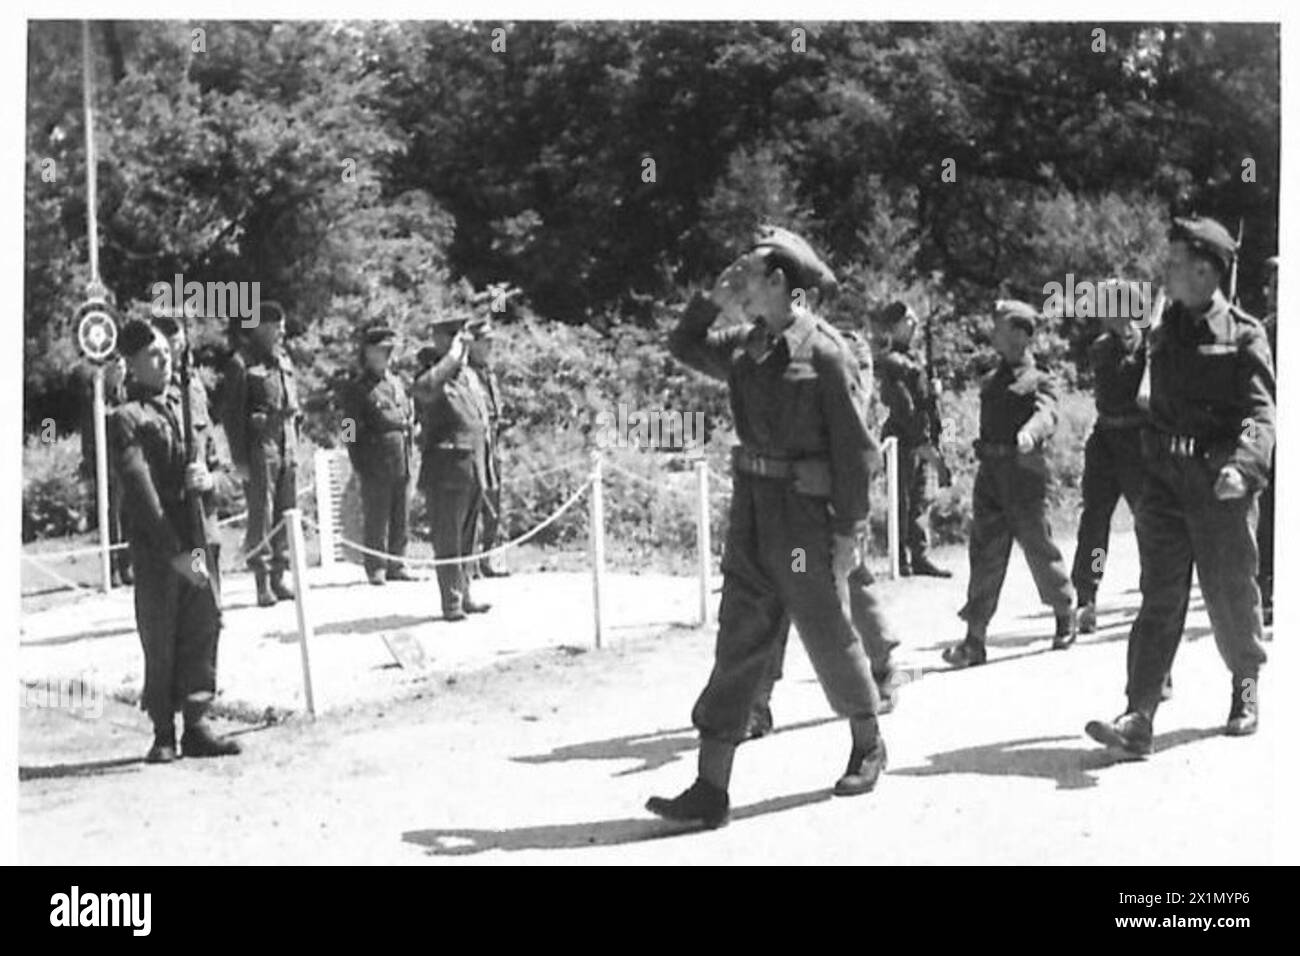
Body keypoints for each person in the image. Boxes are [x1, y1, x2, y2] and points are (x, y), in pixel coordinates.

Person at [646, 228, 891, 829]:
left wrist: (848, 531)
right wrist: (711, 298)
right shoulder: (745, 345)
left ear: (781, 282)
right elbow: (684, 343)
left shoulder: (826, 354)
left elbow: (857, 452)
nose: (741, 284)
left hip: (803, 524)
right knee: (738, 636)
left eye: (749, 275)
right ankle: (710, 787)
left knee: (825, 627)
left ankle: (867, 741)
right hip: (753, 514)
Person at [1086, 217, 1275, 755]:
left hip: (1221, 483)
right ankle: (1139, 713)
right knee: (1159, 597)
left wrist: (1243, 465)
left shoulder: (1244, 334)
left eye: (1174, 263)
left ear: (1205, 270)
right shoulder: (1163, 329)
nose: (1164, 272)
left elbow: (1260, 415)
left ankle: (1245, 687)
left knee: (1230, 594)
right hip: (1164, 481)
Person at [108, 319, 240, 763]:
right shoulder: (127, 418)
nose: (164, 361)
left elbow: (225, 473)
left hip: (200, 536)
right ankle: (163, 729)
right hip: (163, 546)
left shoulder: (192, 402)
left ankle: (197, 721)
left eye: (166, 352)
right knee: (161, 631)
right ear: (132, 365)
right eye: (153, 356)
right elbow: (137, 485)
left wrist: (208, 480)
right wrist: (172, 547)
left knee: (202, 624)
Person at [942, 299, 1076, 668]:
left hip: (1024, 475)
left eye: (1000, 327)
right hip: (990, 476)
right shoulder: (991, 379)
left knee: (1038, 547)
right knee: (984, 554)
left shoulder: (1040, 379)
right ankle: (974, 639)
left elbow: (1047, 413)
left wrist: (1030, 434)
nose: (993, 333)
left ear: (1021, 334)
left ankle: (1065, 611)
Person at [1069, 282, 1149, 634]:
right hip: (1106, 442)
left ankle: (1155, 590)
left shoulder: (1152, 346)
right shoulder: (1102, 348)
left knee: (1148, 522)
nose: (1101, 311)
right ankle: (1088, 595)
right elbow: (1118, 372)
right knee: (1096, 521)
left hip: (1139, 442)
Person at [412, 315, 493, 621]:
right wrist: (356, 450)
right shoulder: (432, 373)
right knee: (447, 536)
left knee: (468, 536)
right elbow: (423, 390)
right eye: (454, 335)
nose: (463, 341)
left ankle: (465, 593)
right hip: (442, 468)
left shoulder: (467, 375)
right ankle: (450, 601)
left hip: (470, 464)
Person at [221, 301, 300, 607]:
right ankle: (262, 579)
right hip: (259, 447)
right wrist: (239, 460)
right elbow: (232, 416)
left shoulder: (283, 360)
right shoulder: (241, 363)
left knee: (286, 511)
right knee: (262, 515)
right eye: (275, 325)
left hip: (286, 441)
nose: (281, 331)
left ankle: (280, 575)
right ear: (259, 327)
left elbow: (293, 405)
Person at [875, 301, 952, 577]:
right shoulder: (892, 362)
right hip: (904, 437)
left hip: (921, 435)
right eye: (908, 320)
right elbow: (903, 406)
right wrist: (921, 441)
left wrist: (935, 393)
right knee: (903, 498)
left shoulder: (914, 359)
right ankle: (902, 558)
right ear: (895, 326)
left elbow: (924, 402)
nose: (914, 324)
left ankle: (919, 555)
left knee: (920, 499)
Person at [340, 322, 416, 586]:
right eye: (383, 351)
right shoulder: (358, 388)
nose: (388, 356)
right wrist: (357, 462)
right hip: (375, 460)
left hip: (401, 458)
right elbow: (348, 428)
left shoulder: (396, 383)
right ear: (369, 352)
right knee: (377, 515)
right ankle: (376, 566)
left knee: (400, 514)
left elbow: (406, 416)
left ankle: (397, 562)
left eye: (390, 351)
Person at [77, 353, 131, 585]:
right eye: (116, 368)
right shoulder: (95, 398)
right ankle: (112, 569)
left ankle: (127, 565)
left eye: (123, 367)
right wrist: (90, 465)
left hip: (127, 464)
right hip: (106, 467)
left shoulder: (127, 395)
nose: (120, 372)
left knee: (129, 516)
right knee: (112, 517)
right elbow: (88, 434)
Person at [468, 317, 511, 578]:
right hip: (476, 447)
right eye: (484, 342)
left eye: (491, 342)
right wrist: (354, 447)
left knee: (493, 503)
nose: (489, 347)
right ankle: (379, 564)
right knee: (473, 503)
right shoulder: (465, 374)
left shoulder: (488, 373)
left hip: (492, 444)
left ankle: (489, 558)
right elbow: (350, 425)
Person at [1257, 255, 1277, 628]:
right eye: (1273, 285)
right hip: (1272, 434)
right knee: (1268, 517)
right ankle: (1267, 593)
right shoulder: (1260, 332)